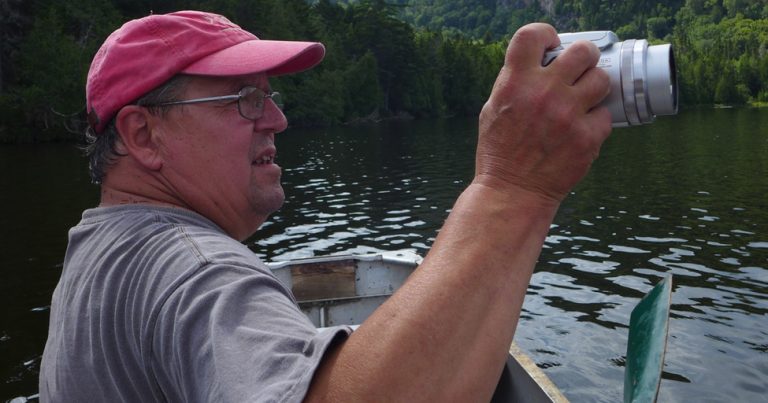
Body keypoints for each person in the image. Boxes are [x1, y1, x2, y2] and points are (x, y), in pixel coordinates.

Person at [40, 9, 611, 403]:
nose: (277, 119)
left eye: (270, 96)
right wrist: (512, 189)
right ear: (143, 136)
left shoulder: (101, 254)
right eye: (246, 98)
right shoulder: (192, 268)